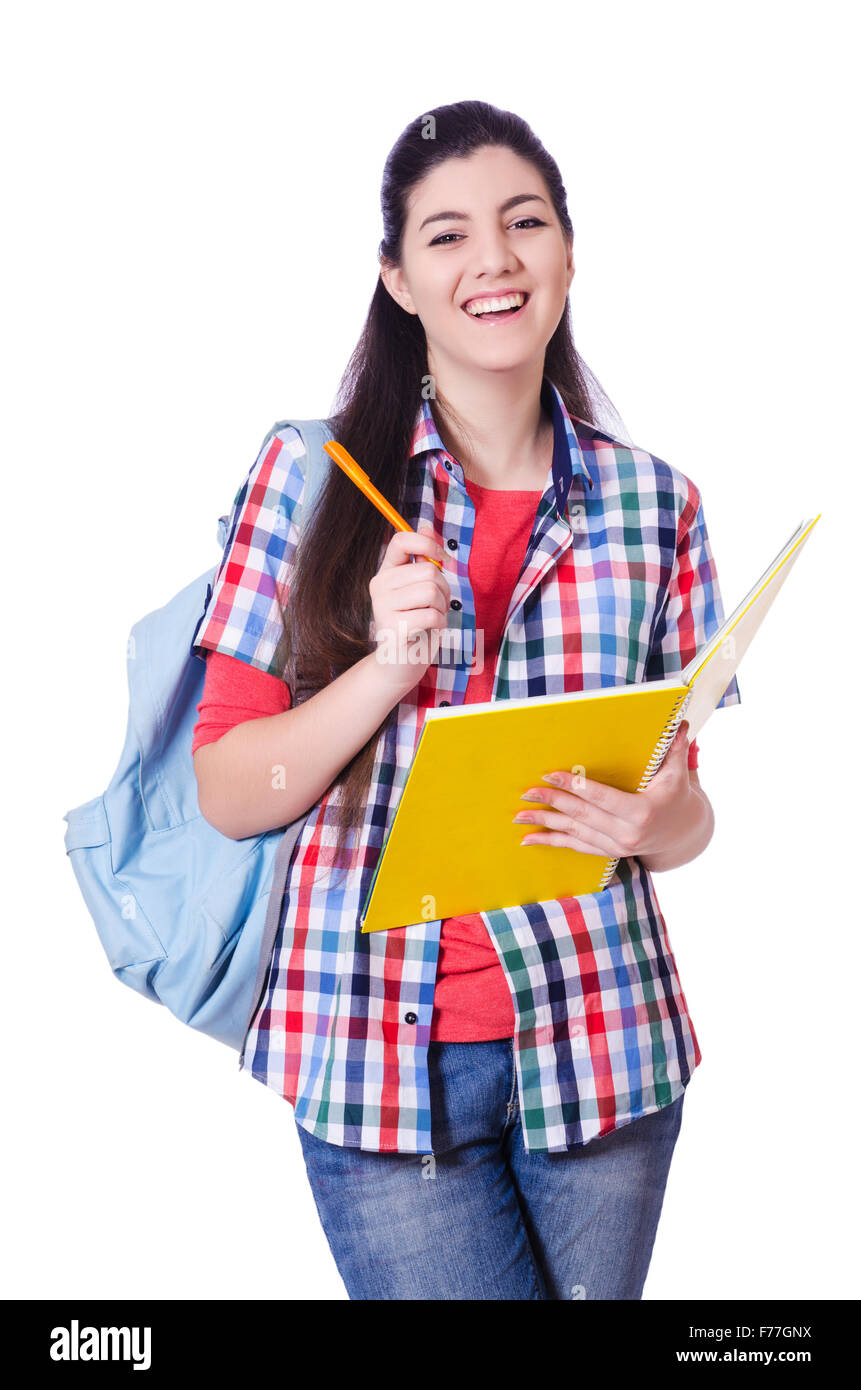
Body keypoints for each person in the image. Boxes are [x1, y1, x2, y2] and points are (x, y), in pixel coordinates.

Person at [190, 99, 740, 1301]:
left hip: (607, 1048)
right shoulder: (311, 478)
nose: (492, 260)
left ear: (568, 254)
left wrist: (655, 826)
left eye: (523, 223)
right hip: (379, 1066)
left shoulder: (659, 508)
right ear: (396, 279)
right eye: (446, 236)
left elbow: (688, 813)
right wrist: (387, 664)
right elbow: (230, 791)